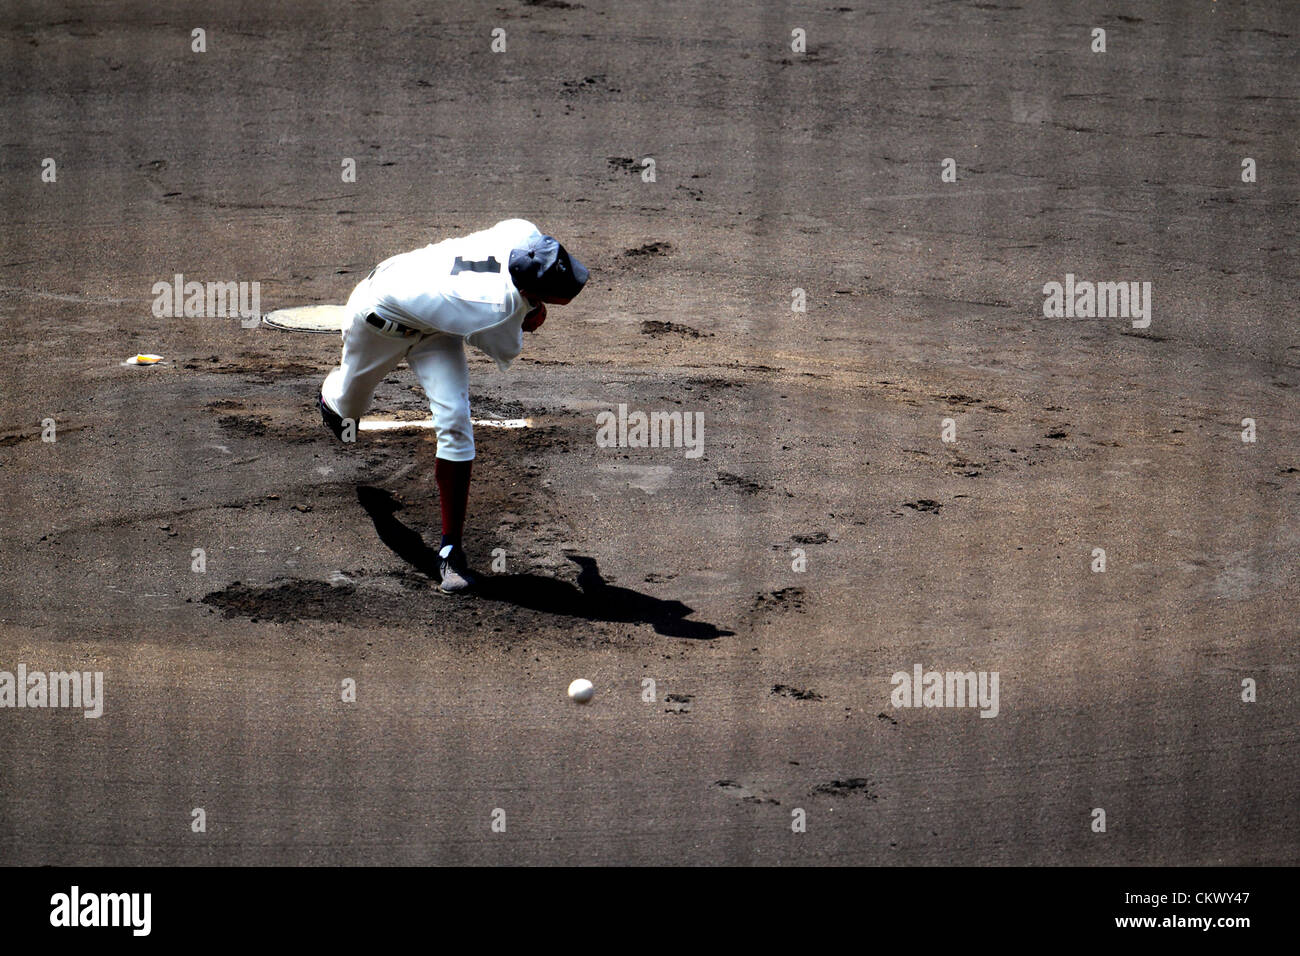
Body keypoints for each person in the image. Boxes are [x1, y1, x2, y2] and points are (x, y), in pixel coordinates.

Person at [318, 219, 589, 593]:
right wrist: (530, 315)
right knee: (347, 408)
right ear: (527, 288)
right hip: (378, 320)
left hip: (437, 328)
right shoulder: (495, 309)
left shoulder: (523, 235)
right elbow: (511, 340)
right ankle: (331, 397)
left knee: (456, 421)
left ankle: (451, 551)